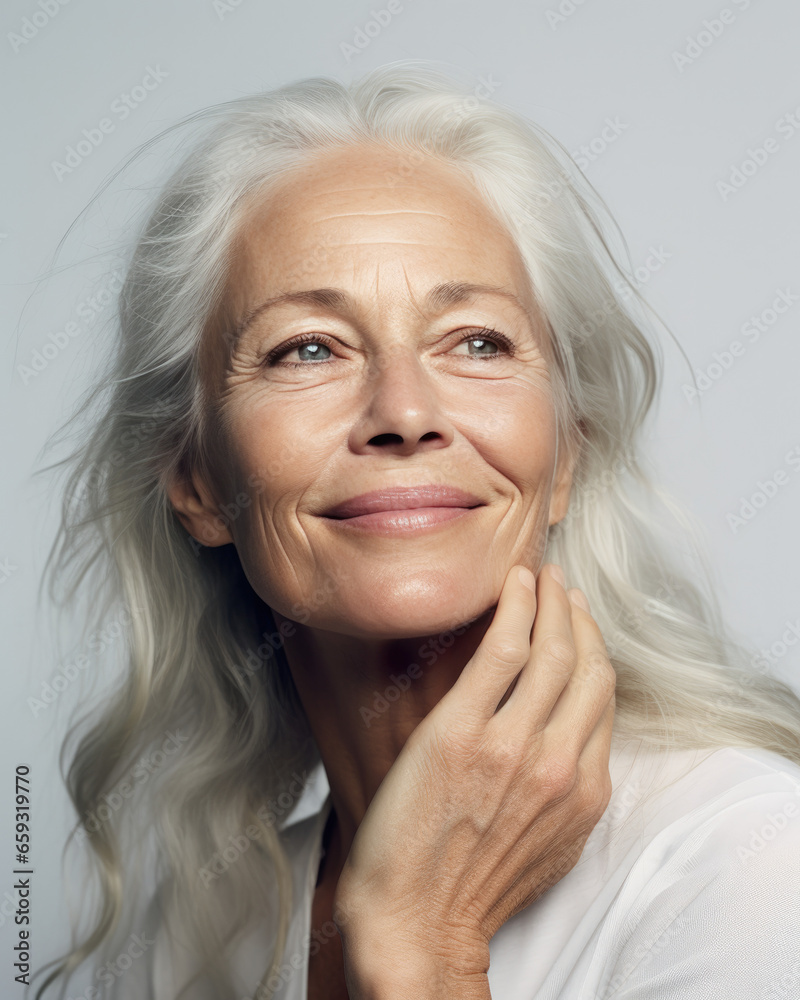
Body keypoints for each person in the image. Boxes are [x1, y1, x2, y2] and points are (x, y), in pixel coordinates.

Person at [35, 61, 800, 1000]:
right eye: (307, 348)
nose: (403, 410)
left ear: (567, 453)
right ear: (195, 480)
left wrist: (423, 951)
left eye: (477, 341)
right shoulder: (190, 941)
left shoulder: (750, 869)